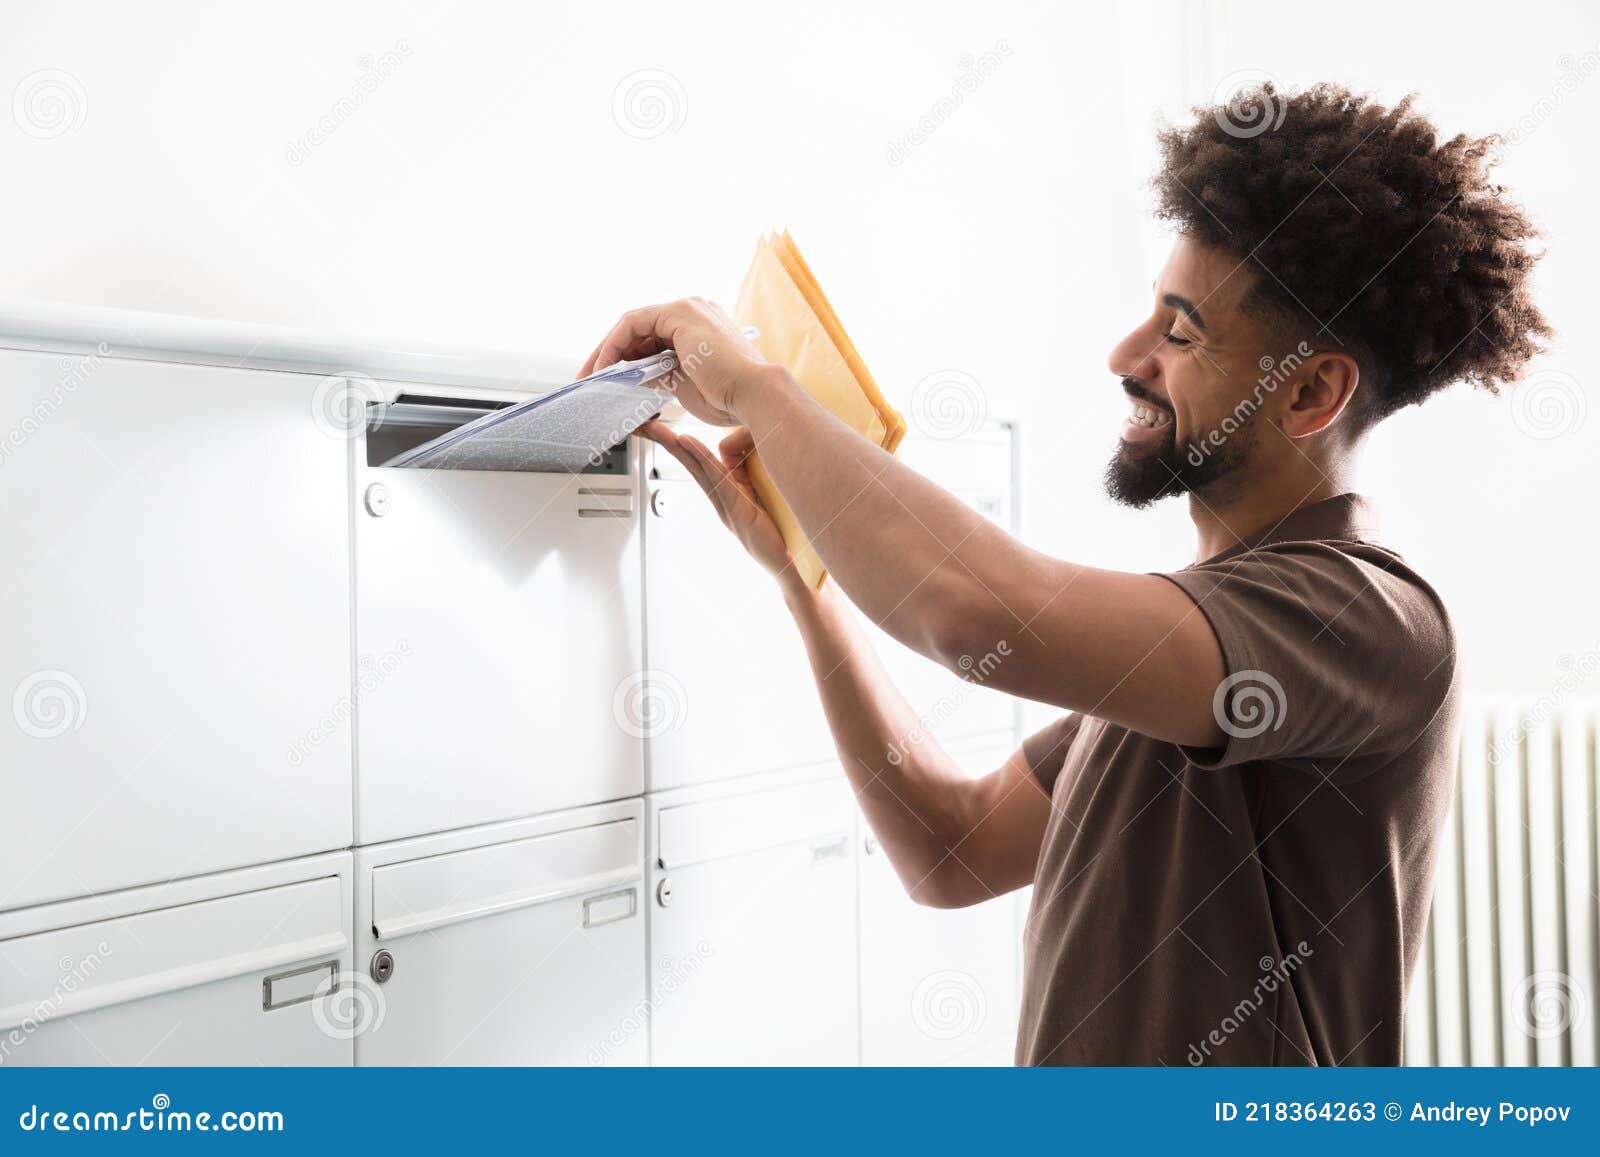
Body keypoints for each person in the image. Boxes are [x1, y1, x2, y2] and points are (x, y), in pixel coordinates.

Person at [581, 83, 1549, 1065]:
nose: (1126, 355)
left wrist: (750, 379)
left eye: (1180, 333)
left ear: (1306, 391)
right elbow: (948, 846)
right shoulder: (1191, 645)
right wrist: (803, 578)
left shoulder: (1362, 611)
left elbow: (969, 613)